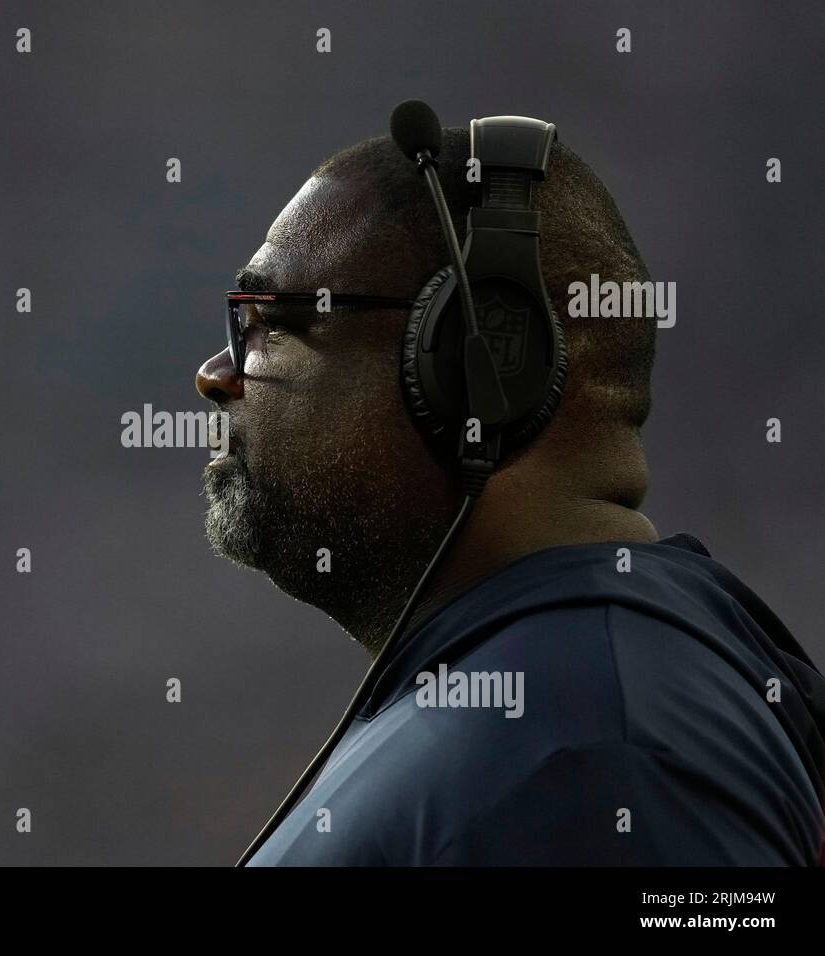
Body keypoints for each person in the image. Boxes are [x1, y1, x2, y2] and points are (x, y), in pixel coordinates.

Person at [195, 126, 825, 865]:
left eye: (271, 321)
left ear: (485, 358)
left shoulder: (595, 747)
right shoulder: (555, 704)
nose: (214, 375)